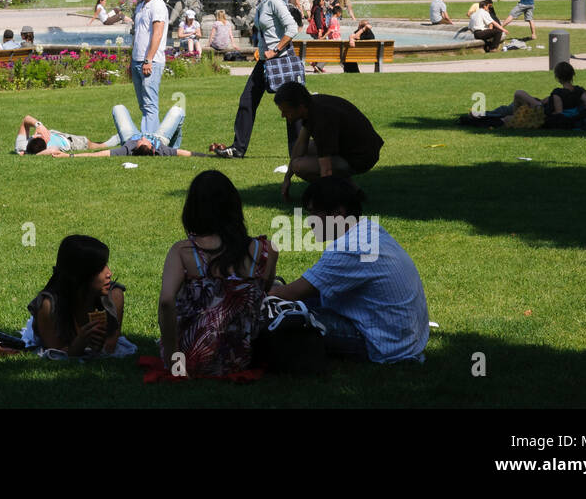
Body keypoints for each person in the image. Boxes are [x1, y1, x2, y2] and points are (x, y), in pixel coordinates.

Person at [269, 176, 430, 364]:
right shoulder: (368, 229)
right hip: (404, 336)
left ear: (338, 213)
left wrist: (255, 290)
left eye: (314, 213)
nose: (309, 222)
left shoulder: (349, 248)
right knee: (298, 304)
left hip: (381, 343)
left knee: (285, 318)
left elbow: (290, 293)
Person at [158, 170, 278, 376]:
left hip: (189, 359)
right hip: (240, 359)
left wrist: (172, 360)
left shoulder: (183, 251)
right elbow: (264, 290)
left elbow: (166, 301)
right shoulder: (266, 249)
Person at [212, 0, 301, 159]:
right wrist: (261, 50)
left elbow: (293, 28)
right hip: (265, 63)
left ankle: (298, 153)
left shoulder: (274, 1)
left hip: (279, 62)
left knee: (291, 107)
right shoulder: (261, 3)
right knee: (247, 100)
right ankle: (238, 148)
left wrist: (275, 50)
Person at [22, 235, 132, 357]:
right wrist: (80, 343)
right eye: (100, 268)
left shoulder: (114, 297)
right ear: (81, 274)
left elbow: (109, 346)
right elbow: (57, 352)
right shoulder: (49, 307)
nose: (109, 273)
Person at [274, 81, 384, 202]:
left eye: (286, 111)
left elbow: (326, 170)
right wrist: (287, 178)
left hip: (362, 157)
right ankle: (354, 192)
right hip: (352, 148)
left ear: (300, 107)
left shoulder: (321, 119)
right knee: (306, 149)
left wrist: (323, 202)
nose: (283, 115)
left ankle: (338, 196)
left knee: (299, 166)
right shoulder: (311, 105)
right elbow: (301, 143)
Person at [50, 103, 192, 158]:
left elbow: (100, 154)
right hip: (161, 138)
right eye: (146, 141)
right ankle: (174, 142)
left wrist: (69, 156)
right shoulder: (161, 149)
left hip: (130, 135)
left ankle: (117, 138)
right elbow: (187, 153)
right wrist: (212, 156)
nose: (143, 138)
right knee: (178, 110)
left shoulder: (128, 148)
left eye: (141, 141)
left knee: (118, 108)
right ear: (153, 148)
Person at [132, 0, 169, 136]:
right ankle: (152, 137)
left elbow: (158, 34)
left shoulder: (158, 6)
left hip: (151, 61)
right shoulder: (141, 5)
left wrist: (148, 59)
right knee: (143, 103)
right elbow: (139, 33)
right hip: (137, 60)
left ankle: (149, 140)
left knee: (150, 103)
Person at [510, 62, 586, 124]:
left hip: (541, 110)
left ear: (557, 77)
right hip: (543, 105)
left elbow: (559, 112)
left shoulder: (558, 93)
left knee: (519, 93)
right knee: (523, 100)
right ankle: (516, 116)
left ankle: (515, 118)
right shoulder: (579, 91)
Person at [16, 115, 112, 155]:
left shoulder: (21, 146)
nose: (41, 135)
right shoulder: (51, 148)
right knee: (93, 145)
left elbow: (26, 119)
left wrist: (38, 125)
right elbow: (53, 150)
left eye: (36, 136)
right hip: (70, 142)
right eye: (43, 138)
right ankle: (108, 143)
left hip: (57, 133)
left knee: (95, 143)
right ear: (46, 144)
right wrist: (37, 155)